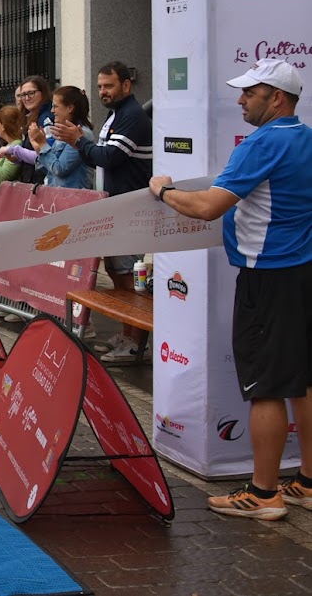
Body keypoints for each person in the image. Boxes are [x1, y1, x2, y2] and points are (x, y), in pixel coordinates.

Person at [148, 59, 312, 522]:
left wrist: (162, 190)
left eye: (249, 93)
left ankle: (264, 494)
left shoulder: (264, 142)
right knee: (301, 381)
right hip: (301, 271)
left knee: (268, 389)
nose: (240, 100)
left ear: (276, 98)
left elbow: (206, 207)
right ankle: (307, 484)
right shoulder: (305, 135)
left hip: (268, 276)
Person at [51, 62, 153, 362]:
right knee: (116, 272)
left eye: (108, 86)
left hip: (130, 209)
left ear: (126, 85)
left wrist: (79, 141)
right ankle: (127, 335)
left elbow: (110, 157)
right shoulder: (116, 116)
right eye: (99, 87)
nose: (102, 92)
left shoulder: (132, 116)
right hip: (115, 208)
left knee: (126, 277)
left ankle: (134, 344)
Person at [0, 86, 95, 190]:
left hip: (73, 198)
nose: (52, 110)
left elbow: (59, 169)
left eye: (55, 106)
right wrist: (37, 146)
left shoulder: (82, 134)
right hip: (56, 196)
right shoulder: (62, 132)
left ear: (70, 108)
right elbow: (49, 169)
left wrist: (42, 144)